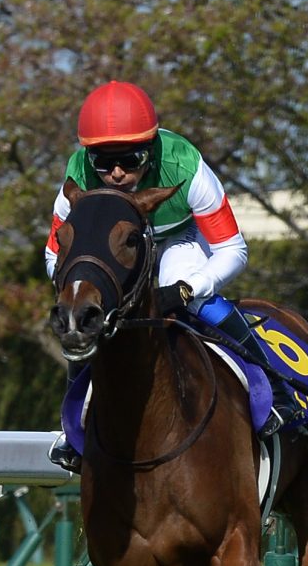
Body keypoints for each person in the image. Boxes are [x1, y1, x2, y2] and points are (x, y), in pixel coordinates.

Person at [45, 81, 254, 469]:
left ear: (152, 147)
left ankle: (273, 389)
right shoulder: (77, 172)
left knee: (181, 288)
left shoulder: (186, 165)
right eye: (104, 163)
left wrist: (190, 289)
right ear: (88, 156)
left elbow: (232, 249)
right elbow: (53, 253)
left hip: (179, 238)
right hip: (117, 254)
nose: (118, 173)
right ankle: (72, 430)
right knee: (83, 318)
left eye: (132, 158)